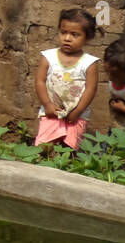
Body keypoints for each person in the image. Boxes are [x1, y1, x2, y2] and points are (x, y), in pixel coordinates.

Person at [33, 8, 100, 149]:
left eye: (75, 34)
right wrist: (47, 104)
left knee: (70, 149)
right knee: (45, 146)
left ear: (87, 37)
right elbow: (40, 81)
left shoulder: (89, 63)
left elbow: (91, 89)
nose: (67, 38)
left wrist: (77, 111)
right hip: (51, 112)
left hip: (76, 115)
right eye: (63, 32)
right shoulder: (48, 57)